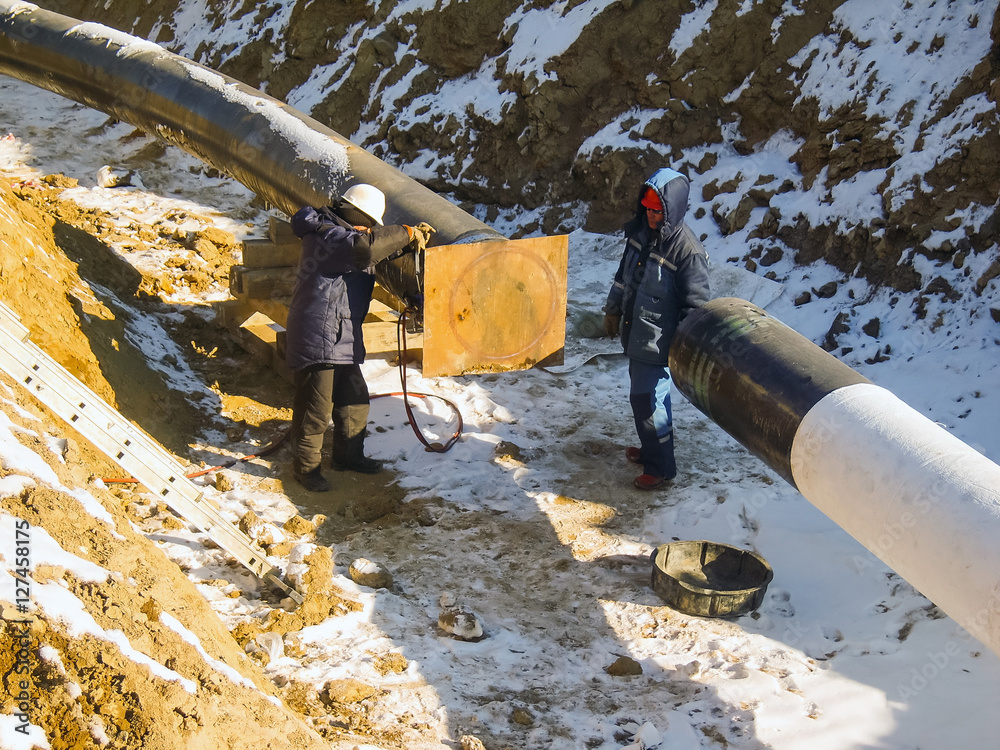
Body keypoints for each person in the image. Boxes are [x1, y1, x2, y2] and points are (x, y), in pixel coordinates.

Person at [284, 184, 434, 492]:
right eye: (369, 224)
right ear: (356, 216)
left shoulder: (347, 237)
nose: (371, 230)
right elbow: (365, 249)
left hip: (341, 335)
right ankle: (306, 467)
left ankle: (348, 456)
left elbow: (374, 256)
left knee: (354, 399)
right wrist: (405, 231)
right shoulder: (328, 236)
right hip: (318, 335)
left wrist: (413, 293)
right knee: (315, 407)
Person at [603, 168, 710, 490]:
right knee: (643, 399)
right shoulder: (640, 235)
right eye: (647, 208)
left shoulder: (687, 251)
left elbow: (696, 306)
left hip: (659, 341)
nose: (650, 215)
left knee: (649, 399)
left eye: (658, 210)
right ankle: (653, 451)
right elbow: (623, 276)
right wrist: (613, 308)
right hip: (637, 334)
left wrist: (682, 348)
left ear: (672, 210)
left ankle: (661, 468)